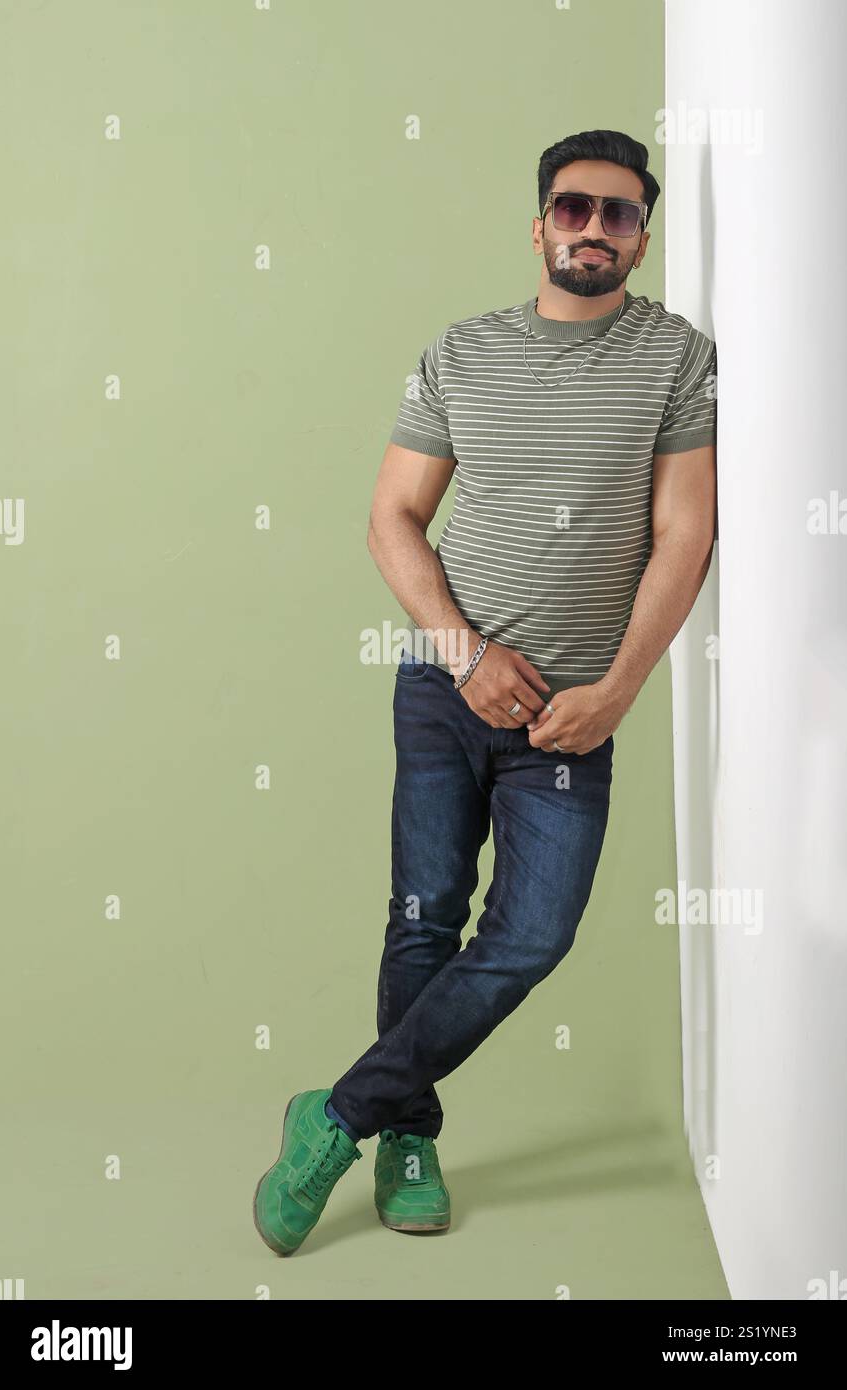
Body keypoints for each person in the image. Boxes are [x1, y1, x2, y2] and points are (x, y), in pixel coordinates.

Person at [253, 128, 717, 1256]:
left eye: (616, 215)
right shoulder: (460, 355)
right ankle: (406, 1136)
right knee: (423, 915)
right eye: (573, 207)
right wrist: (465, 655)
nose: (592, 229)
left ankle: (337, 1113)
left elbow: (682, 534)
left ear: (641, 238)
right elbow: (390, 520)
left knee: (531, 932)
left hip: (573, 706)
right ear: (538, 224)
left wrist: (614, 688)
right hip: (442, 688)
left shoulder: (677, 359)